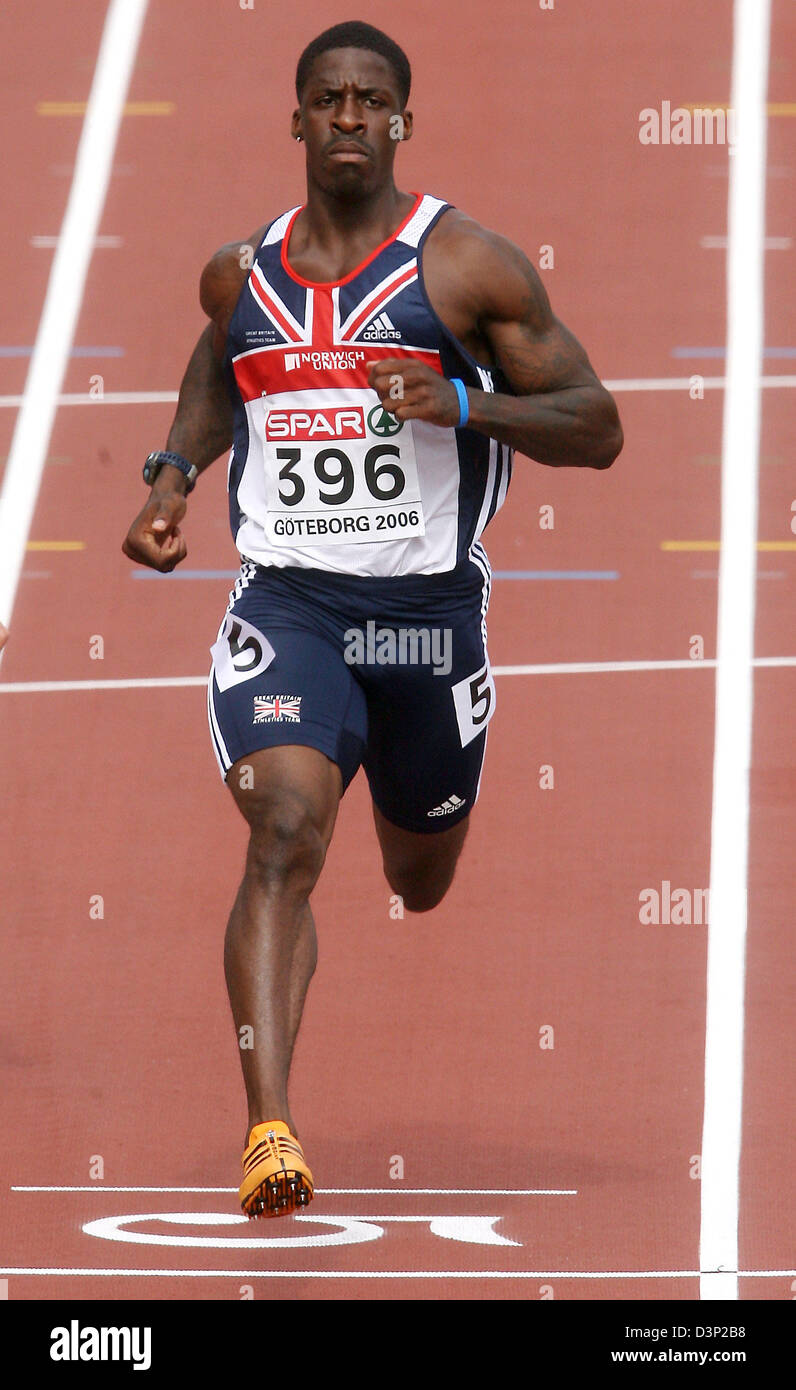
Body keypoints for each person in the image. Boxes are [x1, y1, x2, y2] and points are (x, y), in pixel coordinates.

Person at [122, 20, 623, 1219]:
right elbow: (217, 365)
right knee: (285, 832)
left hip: (426, 623)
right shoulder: (240, 273)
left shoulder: (465, 269)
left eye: (371, 100)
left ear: (403, 120)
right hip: (290, 603)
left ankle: (415, 813)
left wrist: (462, 400)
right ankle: (271, 1129)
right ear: (294, 120)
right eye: (328, 99)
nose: (349, 117)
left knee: (419, 875)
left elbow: (596, 425)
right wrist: (170, 477)